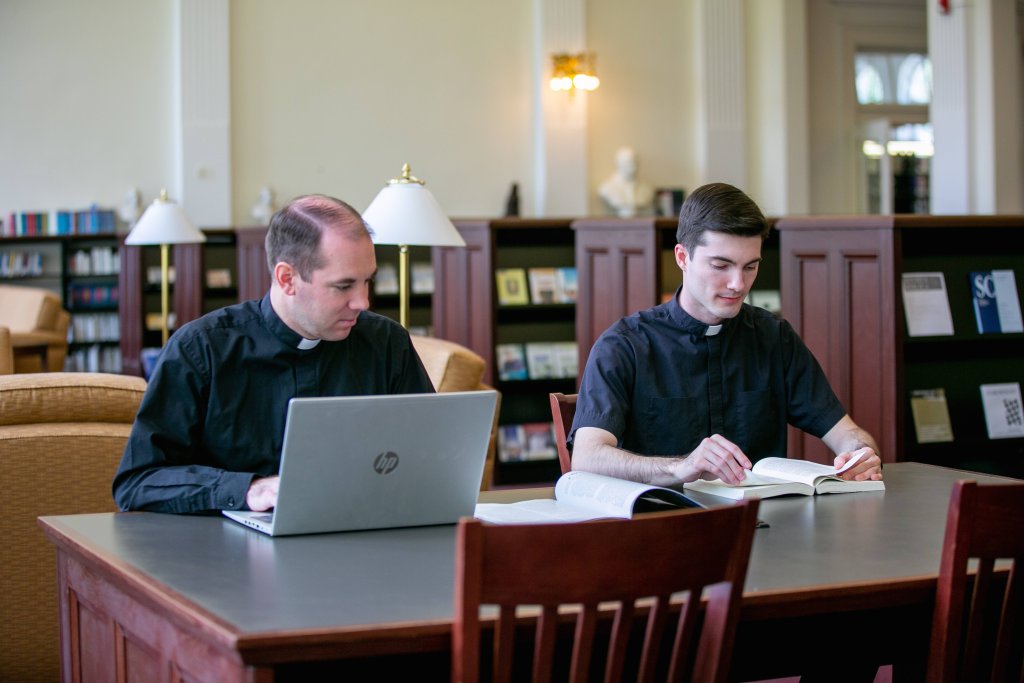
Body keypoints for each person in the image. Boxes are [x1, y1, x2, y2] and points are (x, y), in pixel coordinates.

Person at [113, 194, 434, 514]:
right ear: (287, 279)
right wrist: (249, 490)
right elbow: (138, 482)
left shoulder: (387, 343)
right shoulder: (202, 350)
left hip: (365, 537)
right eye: (343, 286)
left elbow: (430, 455)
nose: (362, 302)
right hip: (228, 553)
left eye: (367, 281)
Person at [570, 182, 883, 486]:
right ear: (682, 257)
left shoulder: (774, 337)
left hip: (764, 526)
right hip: (661, 524)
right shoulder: (624, 346)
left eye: (750, 267)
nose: (738, 284)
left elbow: (846, 432)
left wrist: (859, 453)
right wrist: (682, 467)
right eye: (721, 266)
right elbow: (586, 457)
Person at [597, 146, 654, 218]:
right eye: (628, 162)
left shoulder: (646, 188)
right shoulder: (606, 188)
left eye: (635, 161)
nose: (633, 165)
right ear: (618, 164)